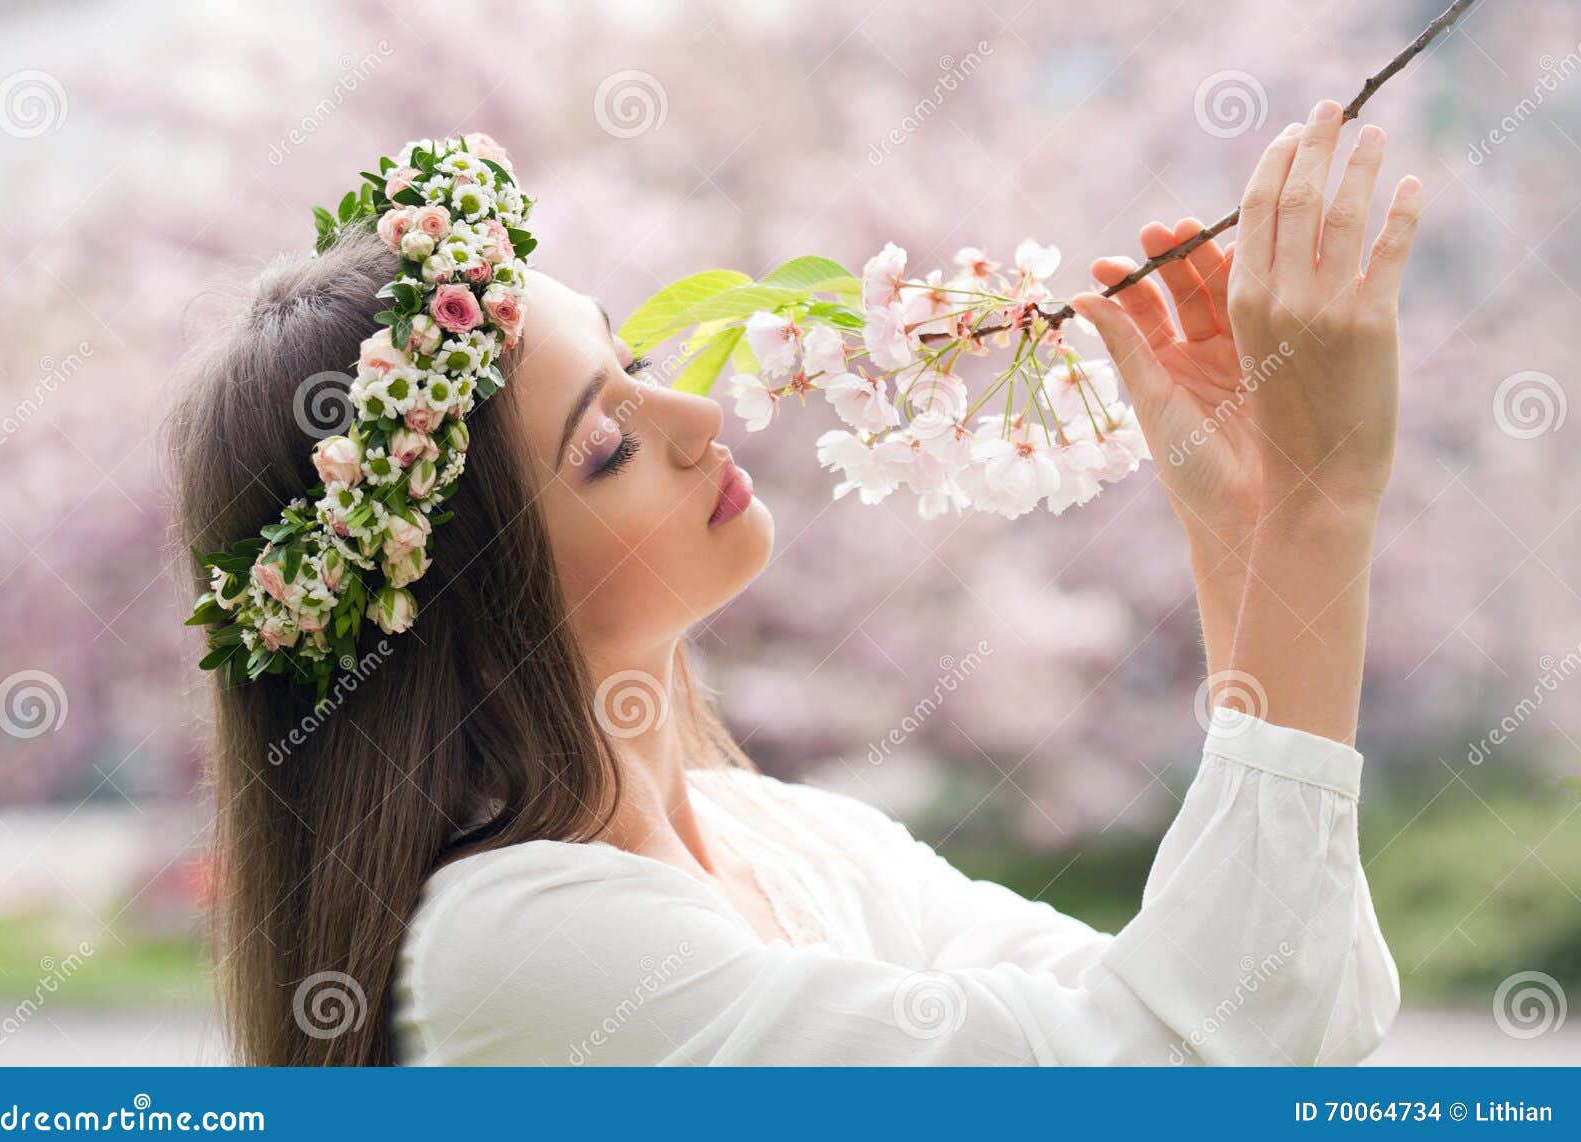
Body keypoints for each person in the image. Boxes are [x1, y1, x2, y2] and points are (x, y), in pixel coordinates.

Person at [168, 98, 1419, 1065]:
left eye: (637, 356)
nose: (700, 412)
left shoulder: (791, 836)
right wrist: (1319, 511)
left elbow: (1285, 1018)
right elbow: (1184, 1076)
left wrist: (1246, 540)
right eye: (603, 446)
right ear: (468, 626)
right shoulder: (515, 944)